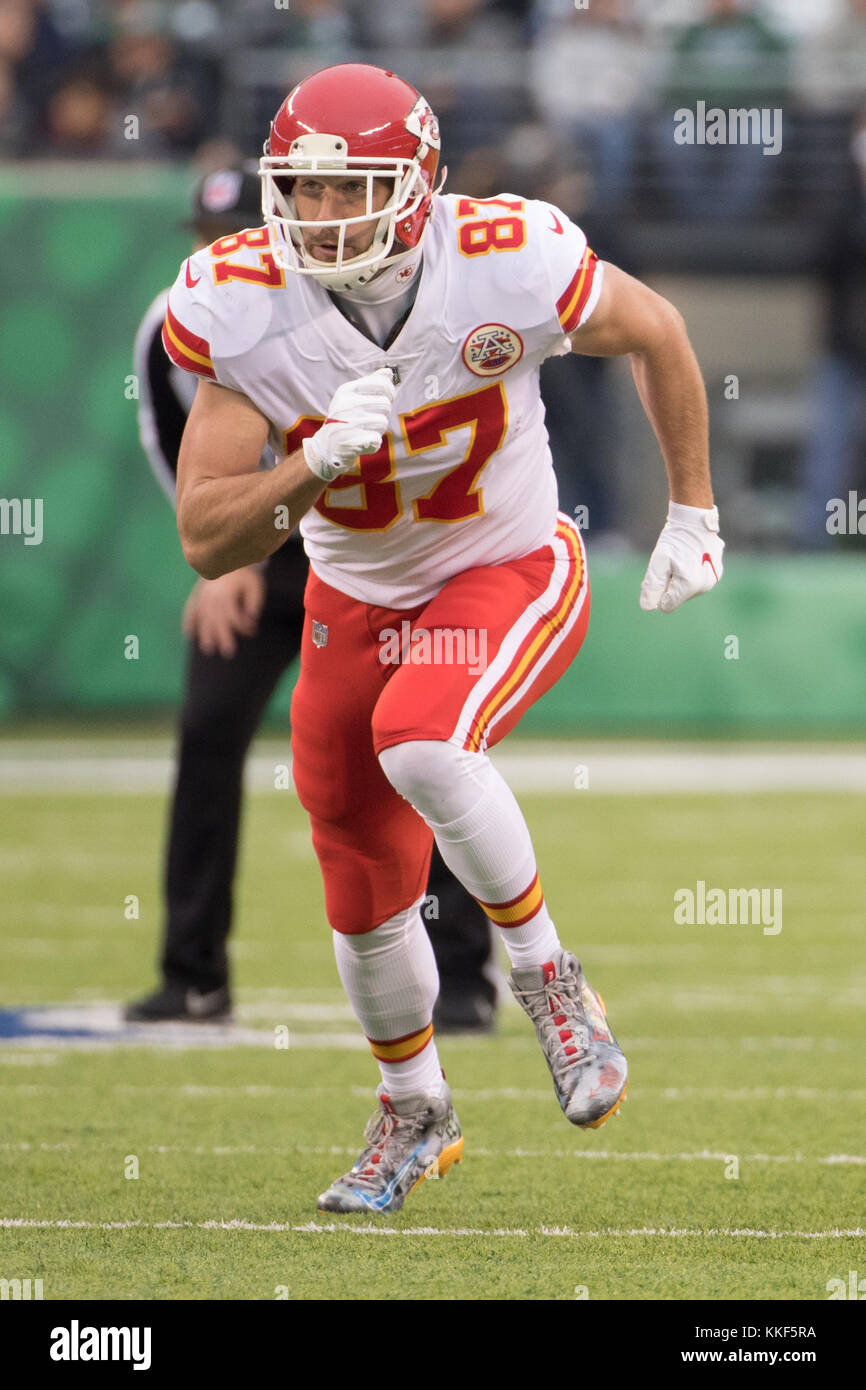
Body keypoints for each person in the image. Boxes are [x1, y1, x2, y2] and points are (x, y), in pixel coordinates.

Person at [163, 63, 724, 1214]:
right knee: (360, 879)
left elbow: (655, 331)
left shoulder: (506, 256)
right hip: (350, 599)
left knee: (418, 741)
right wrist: (307, 465)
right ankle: (413, 1111)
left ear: (417, 186)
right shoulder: (237, 299)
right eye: (303, 193)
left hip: (504, 563)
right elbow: (207, 540)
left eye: (352, 188)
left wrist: (692, 510)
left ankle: (549, 980)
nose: (322, 217)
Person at [126, 163, 499, 1033]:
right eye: (205, 237)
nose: (222, 252)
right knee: (208, 732)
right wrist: (219, 569)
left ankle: (464, 977)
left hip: (379, 554)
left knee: (422, 742)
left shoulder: (366, 287)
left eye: (234, 233)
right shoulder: (182, 324)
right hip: (266, 556)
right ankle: (194, 974)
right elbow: (175, 451)